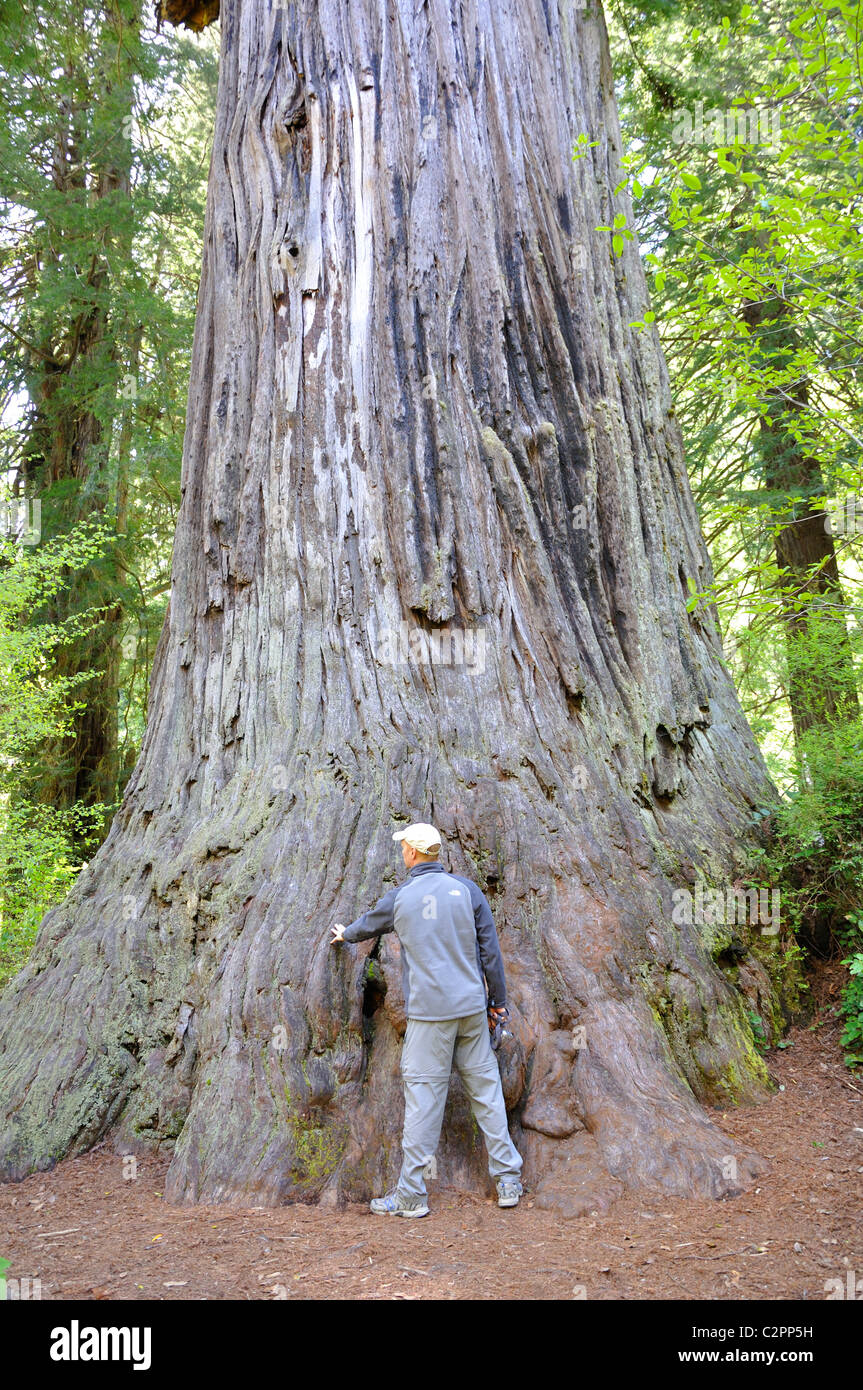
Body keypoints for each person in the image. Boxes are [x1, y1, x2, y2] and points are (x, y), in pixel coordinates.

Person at [330, 821, 523, 1217]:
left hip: (430, 1017)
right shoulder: (467, 891)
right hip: (471, 1010)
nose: (402, 852)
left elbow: (367, 924)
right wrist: (497, 1004)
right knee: (486, 1094)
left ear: (413, 854)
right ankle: (507, 1179)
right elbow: (491, 952)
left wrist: (345, 935)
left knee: (423, 1101)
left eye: (403, 848)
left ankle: (411, 1196)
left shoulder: (401, 898)